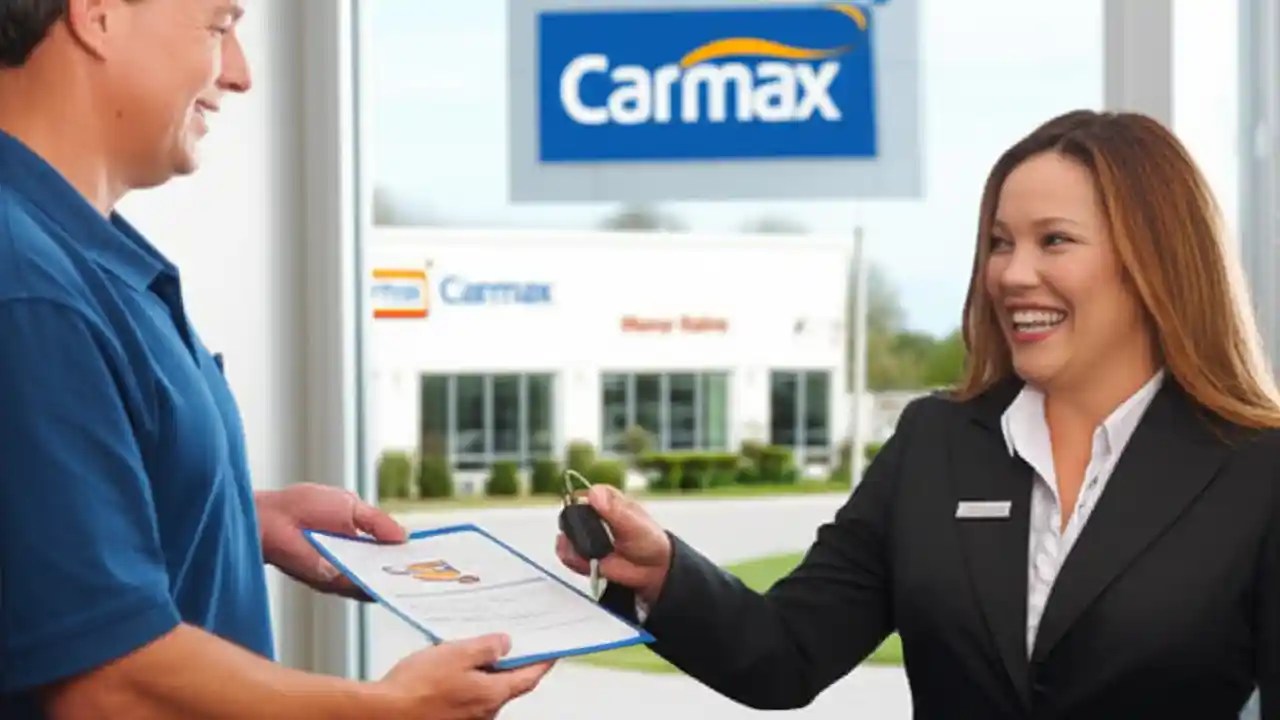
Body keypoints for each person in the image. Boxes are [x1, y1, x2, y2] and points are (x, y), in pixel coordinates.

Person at [558, 109, 1280, 719]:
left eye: (1053, 240)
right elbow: (785, 652)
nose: (1010, 273)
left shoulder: (1257, 470)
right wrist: (661, 574)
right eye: (1000, 242)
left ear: (1154, 261)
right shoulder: (936, 443)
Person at [0, 1, 551, 718]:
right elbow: (108, 685)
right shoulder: (30, 288)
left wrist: (230, 515)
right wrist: (387, 709)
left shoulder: (78, 258)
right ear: (98, 15)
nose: (241, 74)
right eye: (217, 27)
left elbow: (45, 524)